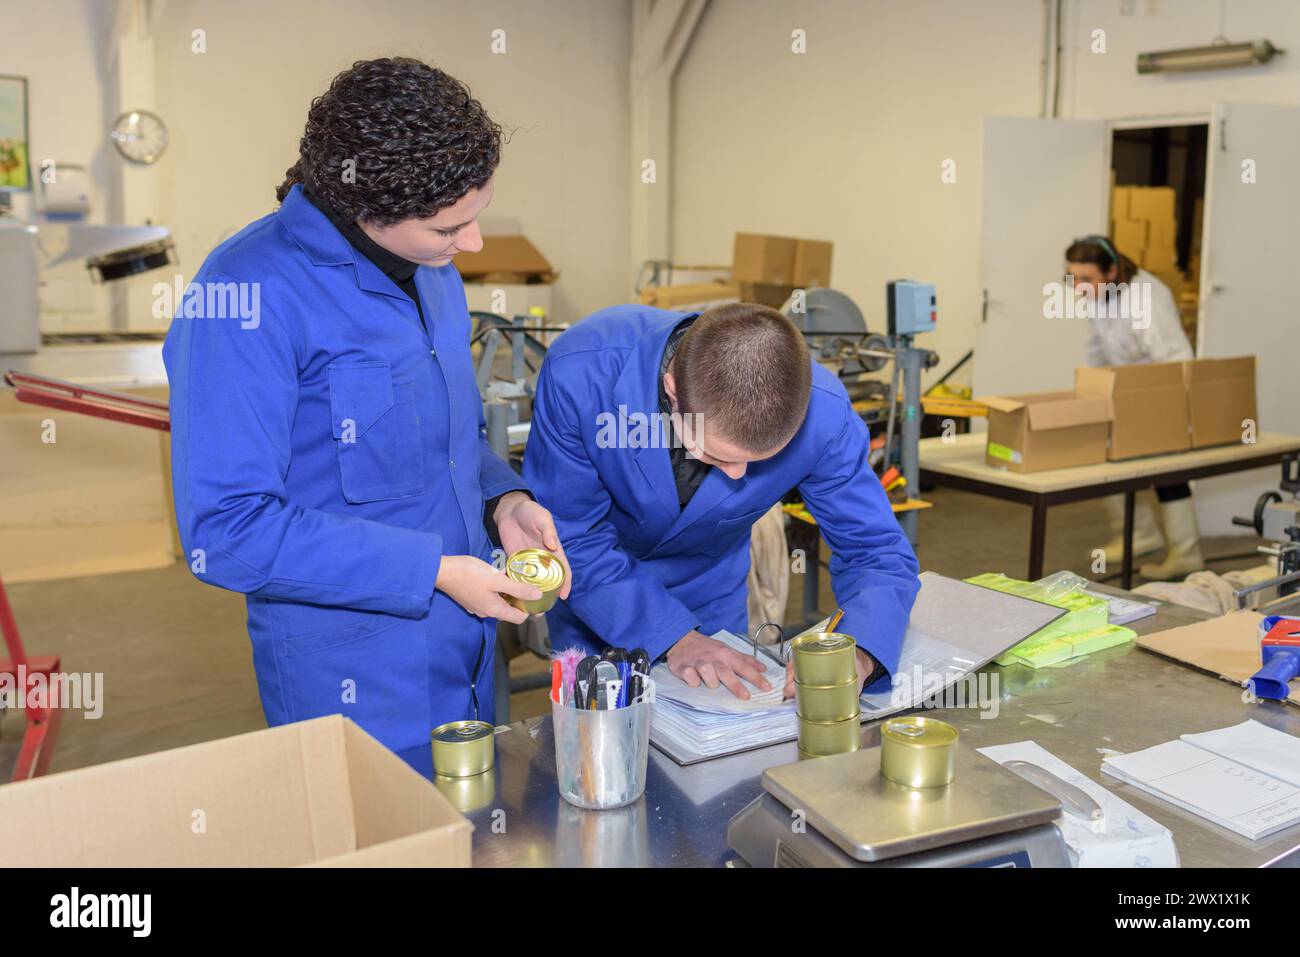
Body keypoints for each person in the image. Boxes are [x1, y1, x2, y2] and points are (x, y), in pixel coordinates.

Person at [163, 58, 570, 753]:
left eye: (476, 218)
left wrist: (503, 500)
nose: (471, 244)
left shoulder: (431, 272)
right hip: (354, 675)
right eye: (449, 229)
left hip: (468, 644)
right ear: (367, 209)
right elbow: (227, 531)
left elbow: (449, 433)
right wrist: (434, 571)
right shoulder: (244, 296)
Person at [523, 302, 920, 700]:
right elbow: (569, 535)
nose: (737, 476)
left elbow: (875, 550)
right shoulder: (583, 372)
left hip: (711, 603)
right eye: (718, 456)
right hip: (597, 599)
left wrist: (861, 649)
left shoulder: (825, 414)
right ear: (672, 389)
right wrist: (672, 637)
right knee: (593, 752)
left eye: (757, 461)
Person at [1065, 234, 1202, 580]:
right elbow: (1097, 344)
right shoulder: (1099, 295)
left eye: (1086, 279)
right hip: (1122, 390)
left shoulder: (1146, 298)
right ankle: (1140, 535)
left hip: (1159, 390)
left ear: (1110, 271)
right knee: (1108, 458)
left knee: (1167, 472)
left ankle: (1187, 553)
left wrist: (1164, 408)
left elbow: (1174, 358)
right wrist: (1088, 390)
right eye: (1073, 278)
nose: (1079, 287)